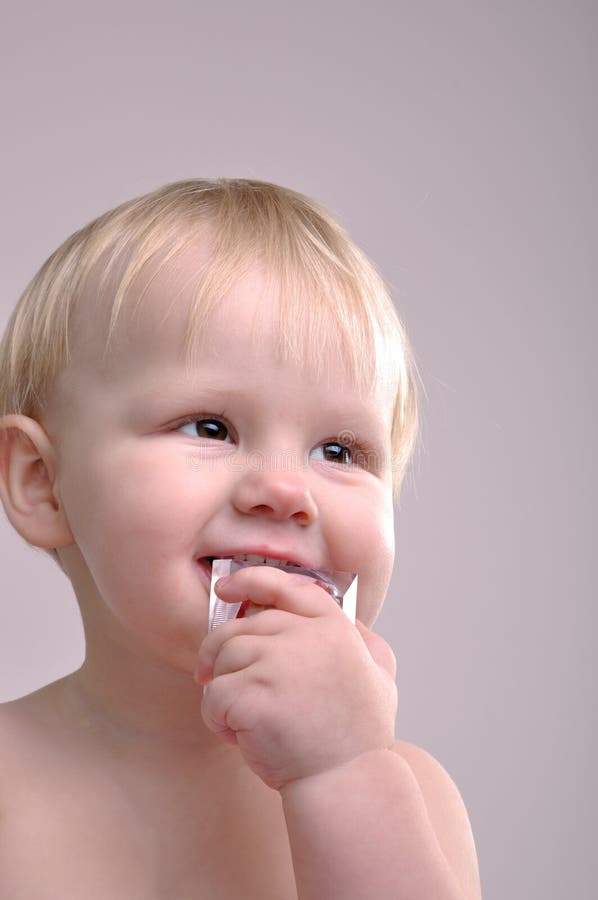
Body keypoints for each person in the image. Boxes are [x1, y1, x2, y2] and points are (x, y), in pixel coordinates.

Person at [0, 179, 481, 899]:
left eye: (339, 451)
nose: (286, 490)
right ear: (43, 483)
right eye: (211, 427)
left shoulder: (410, 802)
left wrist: (342, 775)